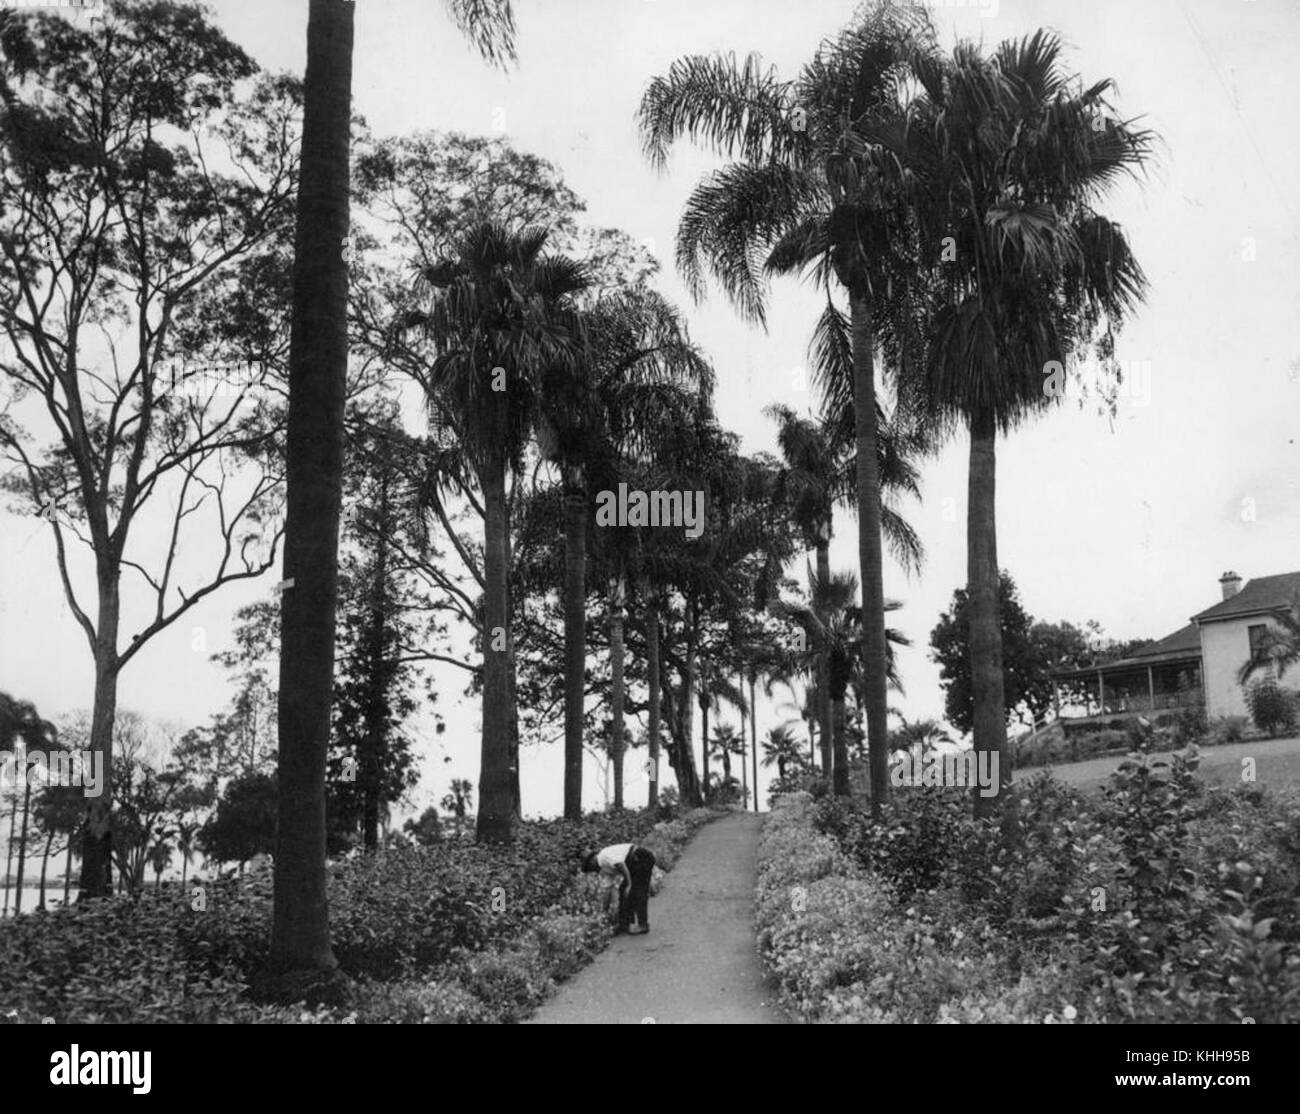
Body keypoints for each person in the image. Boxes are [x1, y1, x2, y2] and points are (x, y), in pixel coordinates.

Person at [581, 842, 656, 935]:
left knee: (637, 892)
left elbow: (621, 865)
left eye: (591, 868)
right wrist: (604, 910)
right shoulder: (603, 868)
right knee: (623, 891)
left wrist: (629, 884)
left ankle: (643, 925)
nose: (593, 871)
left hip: (641, 858)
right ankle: (624, 924)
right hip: (633, 863)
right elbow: (607, 890)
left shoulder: (603, 857)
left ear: (592, 861)